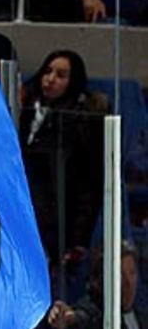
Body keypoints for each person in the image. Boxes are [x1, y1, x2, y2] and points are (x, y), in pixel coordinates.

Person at [19, 50, 108, 285]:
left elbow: (90, 185)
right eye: (47, 71)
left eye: (60, 75)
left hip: (57, 219)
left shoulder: (79, 120)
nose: (50, 79)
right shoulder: (25, 107)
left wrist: (78, 240)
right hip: (25, 209)